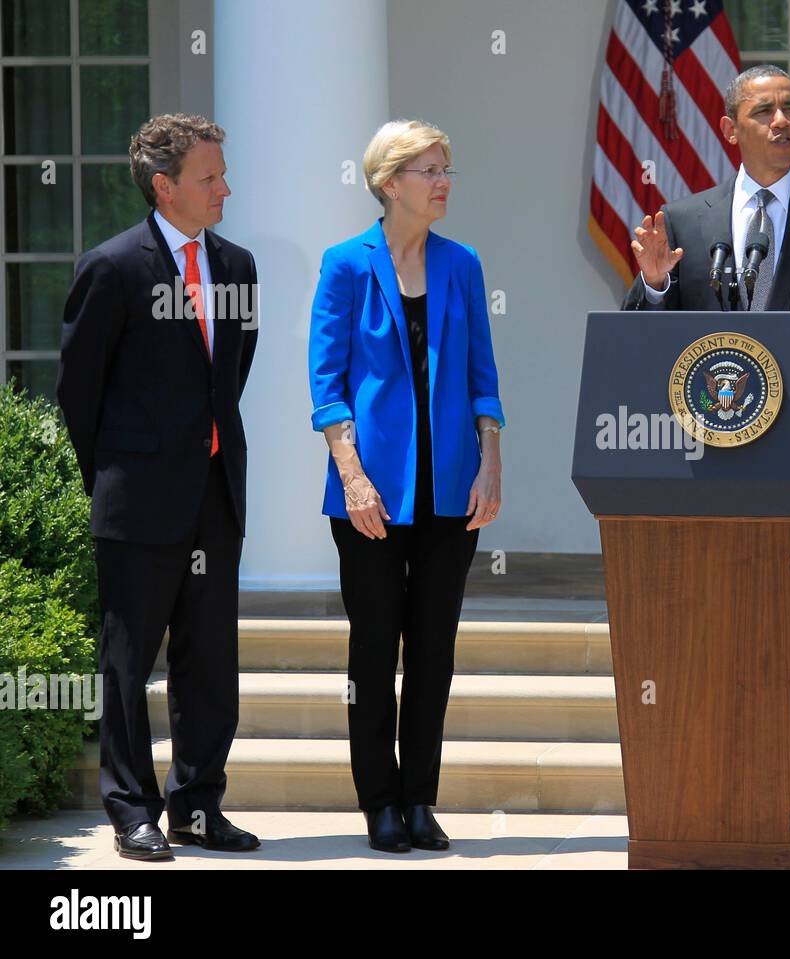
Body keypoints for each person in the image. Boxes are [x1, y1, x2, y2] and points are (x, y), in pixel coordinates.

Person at [56, 114, 261, 861]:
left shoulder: (238, 267)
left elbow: (230, 376)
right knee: (128, 663)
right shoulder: (111, 268)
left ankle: (197, 805)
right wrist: (115, 479)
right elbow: (80, 393)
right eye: (211, 178)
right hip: (137, 500)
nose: (225, 189)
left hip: (216, 494)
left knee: (210, 662)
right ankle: (132, 811)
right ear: (165, 185)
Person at [308, 120, 504, 853]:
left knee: (433, 648)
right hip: (371, 495)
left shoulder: (463, 264)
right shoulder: (345, 265)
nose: (444, 181)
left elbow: (484, 376)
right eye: (430, 170)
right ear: (391, 183)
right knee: (373, 650)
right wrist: (353, 477)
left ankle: (421, 798)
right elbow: (327, 386)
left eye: (446, 168)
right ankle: (379, 802)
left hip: (452, 489)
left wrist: (492, 460)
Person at [623, 63, 790, 366]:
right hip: (711, 402)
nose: (781, 121)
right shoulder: (682, 220)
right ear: (731, 130)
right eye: (764, 111)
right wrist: (654, 283)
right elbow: (640, 337)